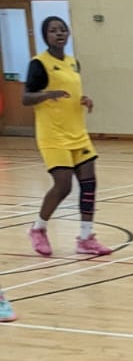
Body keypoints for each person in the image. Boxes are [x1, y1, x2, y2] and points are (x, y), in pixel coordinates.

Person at [23, 15, 111, 258]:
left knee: (89, 184)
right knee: (63, 185)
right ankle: (38, 228)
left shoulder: (73, 63)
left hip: (78, 133)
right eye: (53, 30)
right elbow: (26, 98)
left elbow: (71, 93)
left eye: (63, 29)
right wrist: (47, 94)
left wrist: (83, 100)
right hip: (53, 134)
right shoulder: (39, 64)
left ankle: (85, 238)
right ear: (46, 36)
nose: (59, 33)